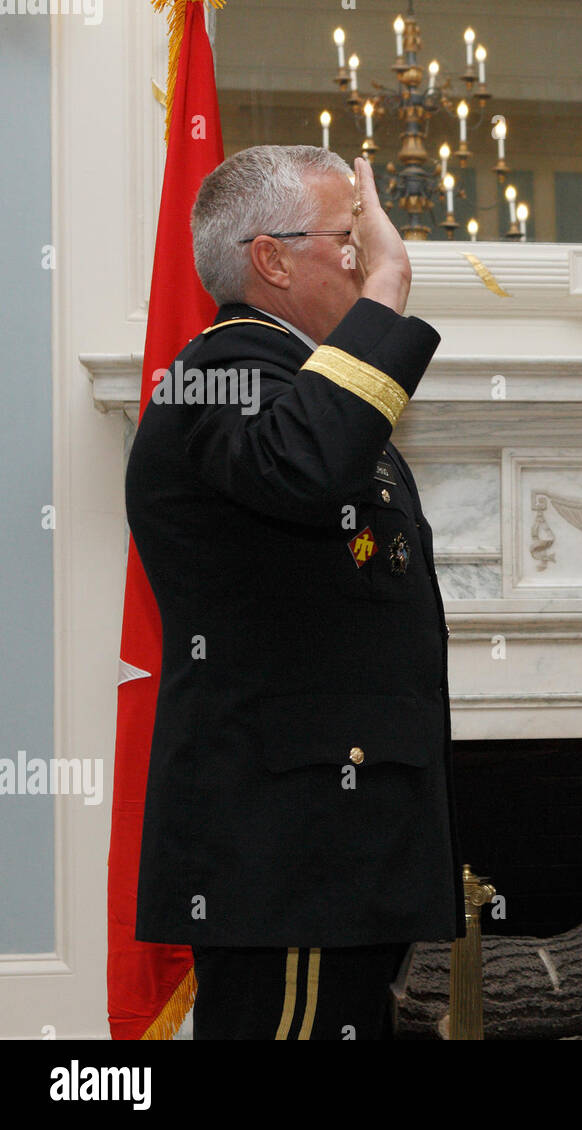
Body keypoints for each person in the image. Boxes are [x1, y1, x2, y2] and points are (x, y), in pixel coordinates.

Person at [125, 145, 462, 1040]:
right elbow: (304, 466)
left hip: (335, 844)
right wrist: (388, 289)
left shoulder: (301, 385)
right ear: (270, 260)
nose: (367, 255)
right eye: (351, 238)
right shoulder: (222, 372)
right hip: (290, 848)